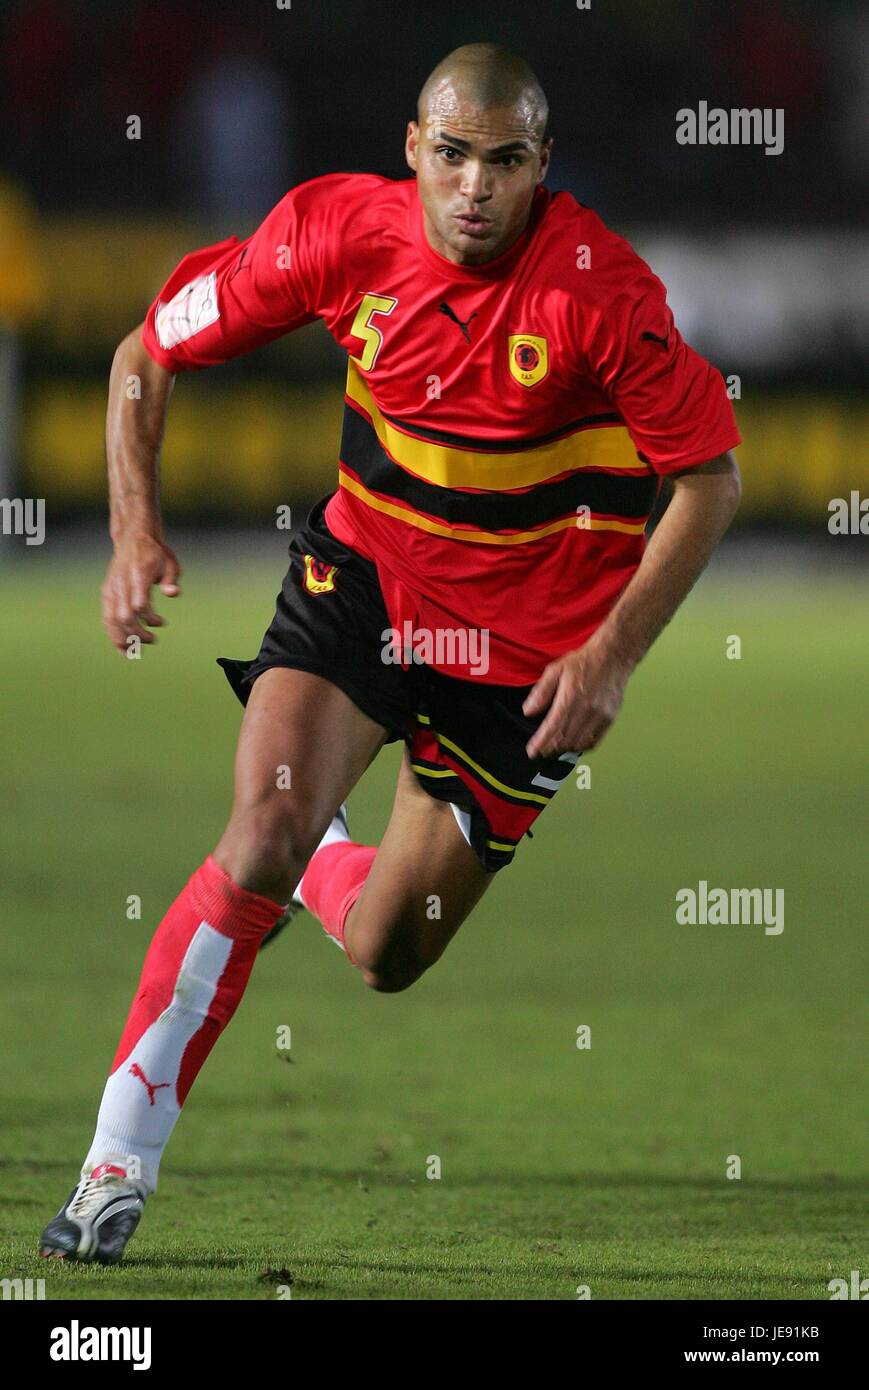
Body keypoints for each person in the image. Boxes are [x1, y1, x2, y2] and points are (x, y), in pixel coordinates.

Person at [39, 43, 741, 1264]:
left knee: (386, 953)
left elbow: (708, 480)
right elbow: (143, 356)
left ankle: (326, 858)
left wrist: (610, 653)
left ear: (540, 167)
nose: (475, 187)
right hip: (364, 585)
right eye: (453, 155)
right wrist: (132, 530)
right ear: (412, 149)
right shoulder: (331, 235)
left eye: (505, 161)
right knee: (255, 835)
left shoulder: (599, 293)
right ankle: (115, 1163)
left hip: (524, 657)